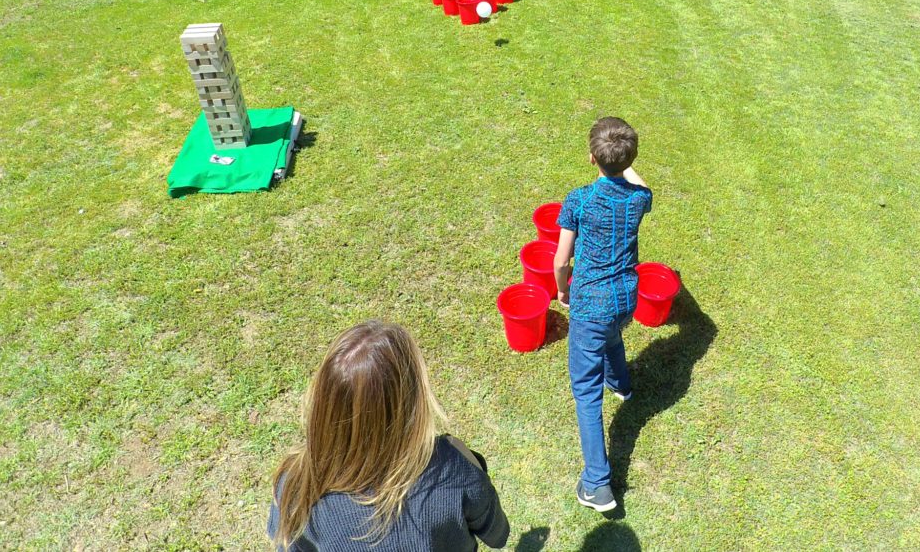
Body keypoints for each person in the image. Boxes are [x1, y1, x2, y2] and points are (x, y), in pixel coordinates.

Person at [267, 320, 510, 551]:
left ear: (325, 404)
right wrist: (469, 460)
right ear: (411, 404)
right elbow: (498, 535)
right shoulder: (453, 469)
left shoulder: (294, 484)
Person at [553, 117, 653, 513]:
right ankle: (622, 385)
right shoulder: (640, 198)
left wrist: (563, 289)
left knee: (586, 392)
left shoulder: (578, 200)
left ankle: (597, 484)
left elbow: (561, 260)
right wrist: (625, 163)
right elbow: (640, 183)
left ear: (591, 157)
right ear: (630, 158)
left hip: (591, 304)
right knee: (612, 334)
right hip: (626, 298)